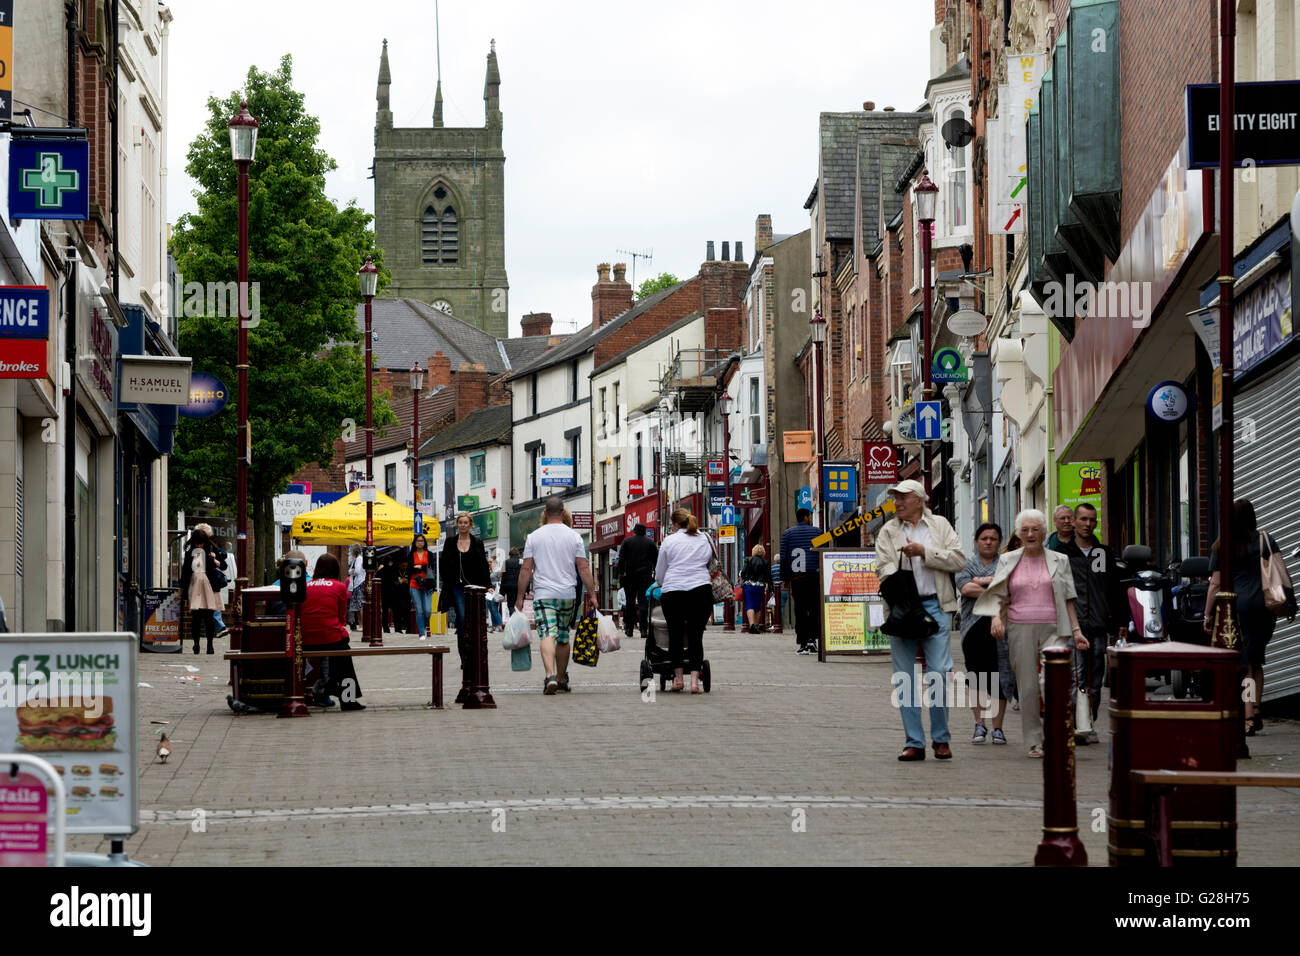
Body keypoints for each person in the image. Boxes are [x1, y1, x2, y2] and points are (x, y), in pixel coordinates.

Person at [974, 509, 1088, 758]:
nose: (1030, 534)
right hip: (1019, 627)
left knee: (1051, 683)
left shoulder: (1060, 560)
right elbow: (999, 594)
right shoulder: (1008, 560)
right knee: (1027, 688)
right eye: (1024, 530)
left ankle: (1055, 735)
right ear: (1018, 534)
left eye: (1035, 529)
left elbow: (1069, 599)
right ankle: (1035, 742)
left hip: (1054, 628)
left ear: (1043, 532)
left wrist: (1077, 631)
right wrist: (995, 617)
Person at [876, 480, 967, 761]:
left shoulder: (939, 525)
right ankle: (914, 741)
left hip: (936, 605)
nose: (898, 503)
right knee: (905, 678)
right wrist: (898, 571)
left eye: (902, 498)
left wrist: (925, 553)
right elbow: (882, 567)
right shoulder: (888, 531)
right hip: (903, 609)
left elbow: (959, 560)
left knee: (938, 672)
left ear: (919, 499)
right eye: (895, 499)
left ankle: (941, 739)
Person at [1206, 498, 1296, 738]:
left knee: (1244, 664)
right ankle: (1256, 710)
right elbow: (1282, 571)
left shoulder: (1221, 545)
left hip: (1237, 608)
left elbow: (1215, 583)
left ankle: (1247, 718)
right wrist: (1291, 603)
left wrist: (1207, 614)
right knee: (1256, 661)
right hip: (1265, 607)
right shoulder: (1266, 539)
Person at [1050, 502, 1127, 742]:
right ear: (1073, 521)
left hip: (1098, 624)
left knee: (1095, 677)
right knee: (1077, 675)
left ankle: (1089, 721)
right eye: (1083, 519)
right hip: (1073, 625)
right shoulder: (1064, 554)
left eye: (1091, 520)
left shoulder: (1102, 553)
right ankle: (1077, 723)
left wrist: (1120, 620)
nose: (1087, 524)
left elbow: (1113, 589)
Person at [514, 496, 598, 695]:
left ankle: (549, 675)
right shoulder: (575, 537)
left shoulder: (533, 537)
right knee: (562, 636)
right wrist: (592, 594)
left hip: (543, 594)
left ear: (544, 512)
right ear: (563, 512)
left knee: (546, 634)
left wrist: (519, 597)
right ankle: (561, 680)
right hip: (567, 594)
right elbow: (584, 568)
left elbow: (526, 569)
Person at [956, 522, 1008, 745]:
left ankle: (998, 728)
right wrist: (996, 587)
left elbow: (1012, 587)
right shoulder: (966, 564)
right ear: (976, 541)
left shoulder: (1006, 564)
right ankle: (979, 724)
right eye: (984, 538)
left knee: (1000, 677)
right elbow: (966, 588)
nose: (988, 542)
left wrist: (982, 582)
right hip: (972, 628)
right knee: (976, 677)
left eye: (993, 538)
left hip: (1002, 628)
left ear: (999, 542)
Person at [655, 508, 715, 693]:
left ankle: (678, 679)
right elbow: (712, 563)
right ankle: (695, 682)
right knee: (696, 636)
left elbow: (660, 572)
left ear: (674, 524)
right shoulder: (705, 538)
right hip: (701, 591)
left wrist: (664, 583)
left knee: (675, 635)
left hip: (674, 592)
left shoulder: (669, 541)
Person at [299, 553, 365, 711]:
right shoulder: (339, 586)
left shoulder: (305, 586)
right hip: (331, 637)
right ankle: (347, 699)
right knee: (344, 660)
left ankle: (324, 689)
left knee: (328, 656)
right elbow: (342, 618)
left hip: (306, 639)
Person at [439, 512, 492, 698]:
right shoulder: (450, 542)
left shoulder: (477, 542)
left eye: (465, 523)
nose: (462, 525)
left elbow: (483, 565)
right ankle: (465, 655)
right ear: (457, 524)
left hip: (475, 587)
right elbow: (444, 564)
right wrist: (448, 581)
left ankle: (473, 653)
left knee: (474, 623)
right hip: (457, 588)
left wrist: (489, 586)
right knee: (463, 621)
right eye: (460, 523)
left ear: (470, 525)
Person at [179, 524, 228, 655]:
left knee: (208, 618)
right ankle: (196, 645)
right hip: (196, 587)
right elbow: (185, 573)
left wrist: (215, 559)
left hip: (209, 586)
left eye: (201, 543)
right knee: (196, 617)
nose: (199, 546)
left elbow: (224, 565)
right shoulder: (190, 553)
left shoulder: (211, 550)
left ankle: (210, 645)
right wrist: (181, 590)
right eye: (197, 543)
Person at [780, 508, 824, 654]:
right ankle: (813, 640)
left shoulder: (787, 534)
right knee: (814, 609)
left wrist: (785, 578)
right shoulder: (818, 532)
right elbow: (823, 554)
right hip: (814, 576)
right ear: (806, 517)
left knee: (800, 610)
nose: (810, 518)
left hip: (797, 578)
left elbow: (784, 557)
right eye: (809, 516)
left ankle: (803, 643)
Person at [617, 523, 658, 639]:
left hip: (629, 576)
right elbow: (656, 560)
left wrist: (621, 574)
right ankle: (644, 629)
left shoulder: (627, 542)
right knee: (643, 602)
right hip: (645, 576)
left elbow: (621, 560)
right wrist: (654, 575)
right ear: (645, 532)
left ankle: (629, 628)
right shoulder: (650, 543)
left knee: (630, 602)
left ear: (634, 531)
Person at [407, 534, 435, 639]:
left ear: (425, 542)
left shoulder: (430, 554)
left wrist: (419, 566)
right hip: (414, 584)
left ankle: (425, 624)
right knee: (419, 610)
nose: (420, 543)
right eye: (418, 541)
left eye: (422, 541)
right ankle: (422, 632)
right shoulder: (411, 555)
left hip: (427, 584)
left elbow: (430, 567)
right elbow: (409, 570)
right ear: (415, 542)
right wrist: (423, 567)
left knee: (428, 610)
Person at [740, 544, 771, 634]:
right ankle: (756, 625)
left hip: (749, 586)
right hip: (760, 586)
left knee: (750, 605)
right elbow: (768, 576)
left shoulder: (748, 560)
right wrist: (768, 586)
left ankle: (752, 625)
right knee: (758, 606)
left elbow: (743, 573)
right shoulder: (765, 562)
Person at [212, 537, 235, 638]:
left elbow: (223, 556)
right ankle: (219, 627)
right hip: (208, 582)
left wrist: (217, 556)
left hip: (213, 583)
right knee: (214, 605)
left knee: (215, 605)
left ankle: (220, 627)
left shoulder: (212, 548)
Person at [377, 554, 406, 633]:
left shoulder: (380, 572)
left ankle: (386, 628)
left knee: (385, 612)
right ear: (391, 562)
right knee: (396, 612)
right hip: (394, 593)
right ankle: (398, 628)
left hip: (384, 593)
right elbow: (397, 581)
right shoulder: (394, 570)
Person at [346, 545, 366, 631]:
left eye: (351, 551)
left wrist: (352, 571)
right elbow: (349, 571)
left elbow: (356, 571)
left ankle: (362, 625)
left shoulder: (359, 559)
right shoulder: (356, 559)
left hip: (359, 583)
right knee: (357, 606)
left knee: (359, 605)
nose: (350, 553)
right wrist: (352, 570)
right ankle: (360, 625)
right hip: (356, 584)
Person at [500, 547, 522, 619]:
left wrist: (502, 591)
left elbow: (502, 575)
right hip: (520, 586)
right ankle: (518, 620)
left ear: (510, 554)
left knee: (511, 605)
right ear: (518, 554)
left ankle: (513, 619)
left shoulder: (506, 562)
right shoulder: (521, 561)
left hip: (509, 587)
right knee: (519, 604)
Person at [486, 555, 505, 632]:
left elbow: (500, 581)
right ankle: (494, 626)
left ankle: (499, 626)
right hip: (488, 592)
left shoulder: (497, 570)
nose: (489, 563)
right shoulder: (487, 571)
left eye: (490, 562)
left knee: (494, 608)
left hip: (495, 591)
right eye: (488, 562)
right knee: (490, 608)